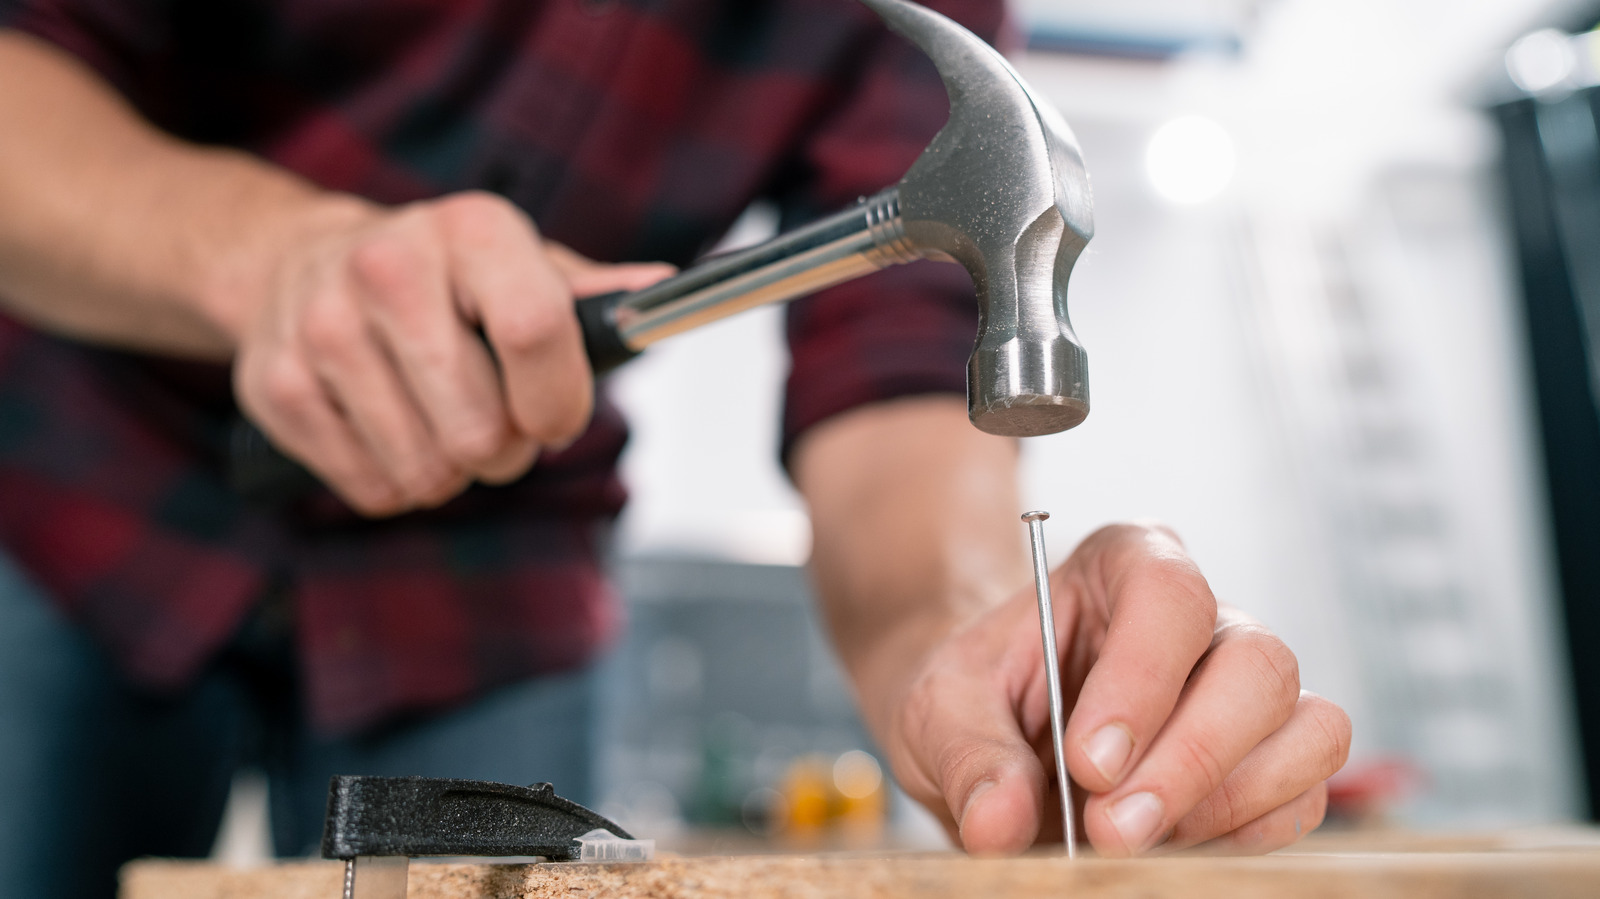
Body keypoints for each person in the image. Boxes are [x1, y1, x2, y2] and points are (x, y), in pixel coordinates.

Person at [0, 1, 1350, 896]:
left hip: (494, 565)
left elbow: (895, 380)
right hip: (78, 481)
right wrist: (279, 258)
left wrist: (977, 663)